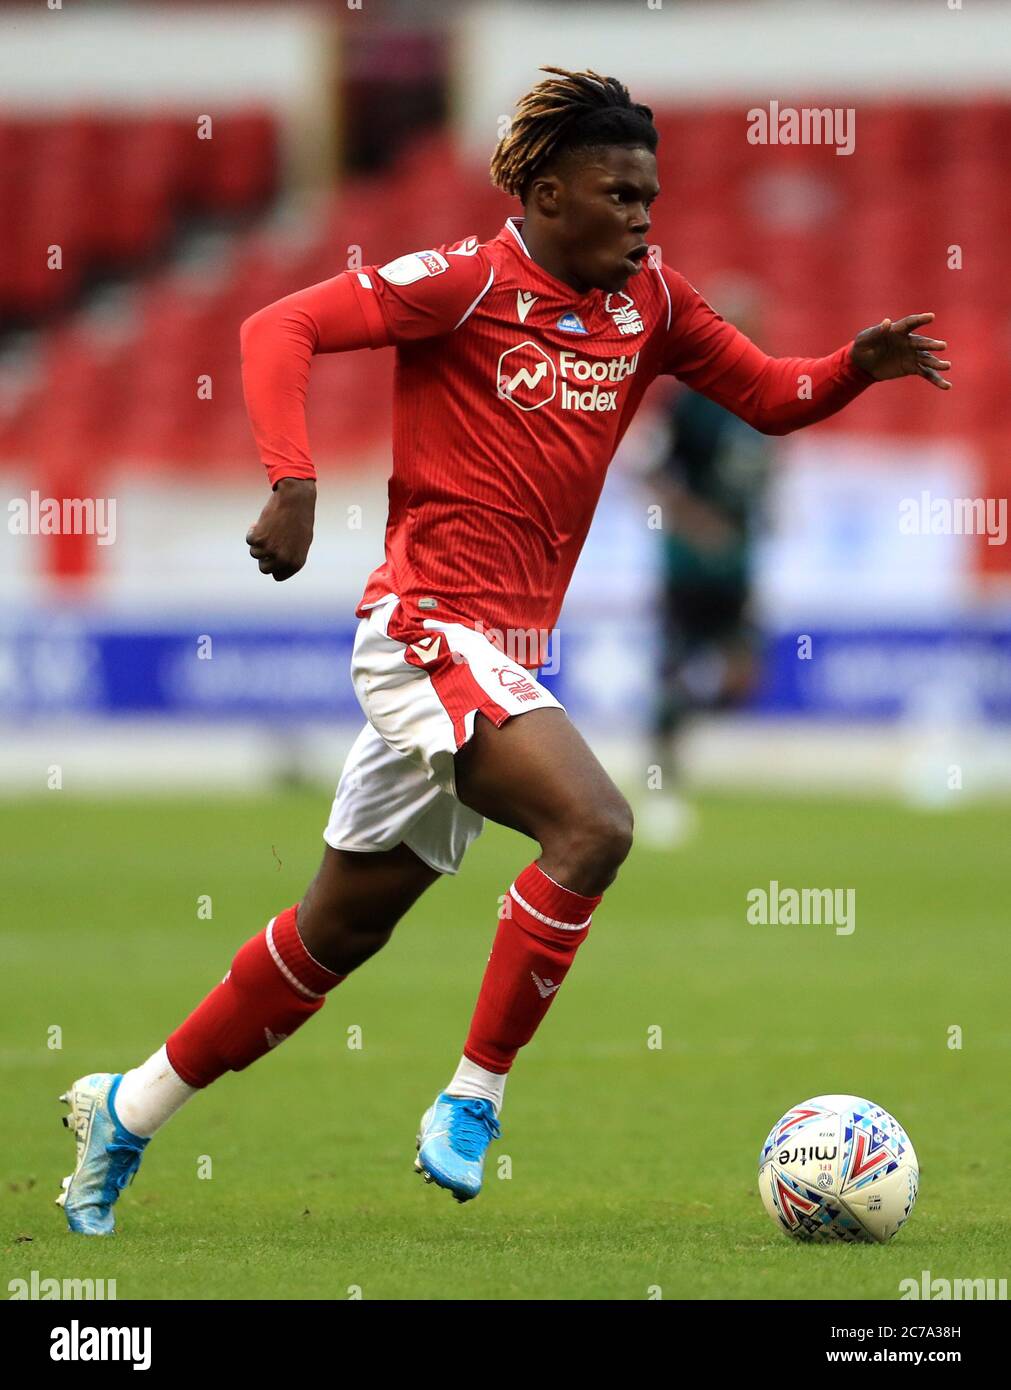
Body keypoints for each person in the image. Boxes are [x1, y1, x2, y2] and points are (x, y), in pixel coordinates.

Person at [57, 67, 951, 1233]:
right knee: (597, 825)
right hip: (425, 628)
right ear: (542, 191)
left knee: (340, 929)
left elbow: (773, 395)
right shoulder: (468, 282)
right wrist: (292, 477)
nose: (643, 217)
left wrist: (849, 367)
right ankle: (472, 1098)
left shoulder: (655, 307)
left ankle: (127, 1106)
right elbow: (278, 325)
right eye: (619, 193)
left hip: (500, 657)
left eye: (652, 196)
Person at [639, 275, 773, 846]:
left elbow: (757, 476)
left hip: (740, 564)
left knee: (744, 678)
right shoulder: (688, 402)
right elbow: (652, 473)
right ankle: (662, 773)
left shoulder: (762, 396)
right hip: (688, 564)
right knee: (673, 668)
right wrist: (698, 524)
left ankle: (676, 737)